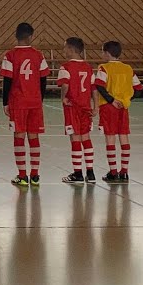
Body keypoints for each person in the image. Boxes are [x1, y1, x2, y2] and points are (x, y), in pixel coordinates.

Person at [1, 22, 50, 187]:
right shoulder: (39, 55)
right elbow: (43, 79)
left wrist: (5, 102)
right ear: (31, 36)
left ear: (16, 35)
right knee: (34, 137)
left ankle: (22, 176)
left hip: (18, 101)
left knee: (19, 136)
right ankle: (35, 176)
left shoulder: (10, 55)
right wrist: (39, 99)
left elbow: (7, 81)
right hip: (35, 101)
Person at [95, 40, 143, 184]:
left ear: (106, 53)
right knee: (124, 136)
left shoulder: (104, 68)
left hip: (109, 107)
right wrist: (127, 99)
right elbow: (139, 88)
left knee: (110, 138)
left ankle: (113, 172)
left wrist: (111, 100)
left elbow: (99, 86)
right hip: (124, 106)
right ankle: (124, 172)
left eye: (102, 52)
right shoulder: (128, 68)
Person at [58, 37, 97, 185]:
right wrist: (96, 106)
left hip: (72, 107)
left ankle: (77, 173)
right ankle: (91, 172)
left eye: (65, 48)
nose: (64, 51)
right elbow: (94, 89)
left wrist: (63, 98)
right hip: (85, 106)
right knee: (86, 138)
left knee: (74, 138)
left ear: (71, 49)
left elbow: (65, 85)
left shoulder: (66, 67)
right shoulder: (88, 67)